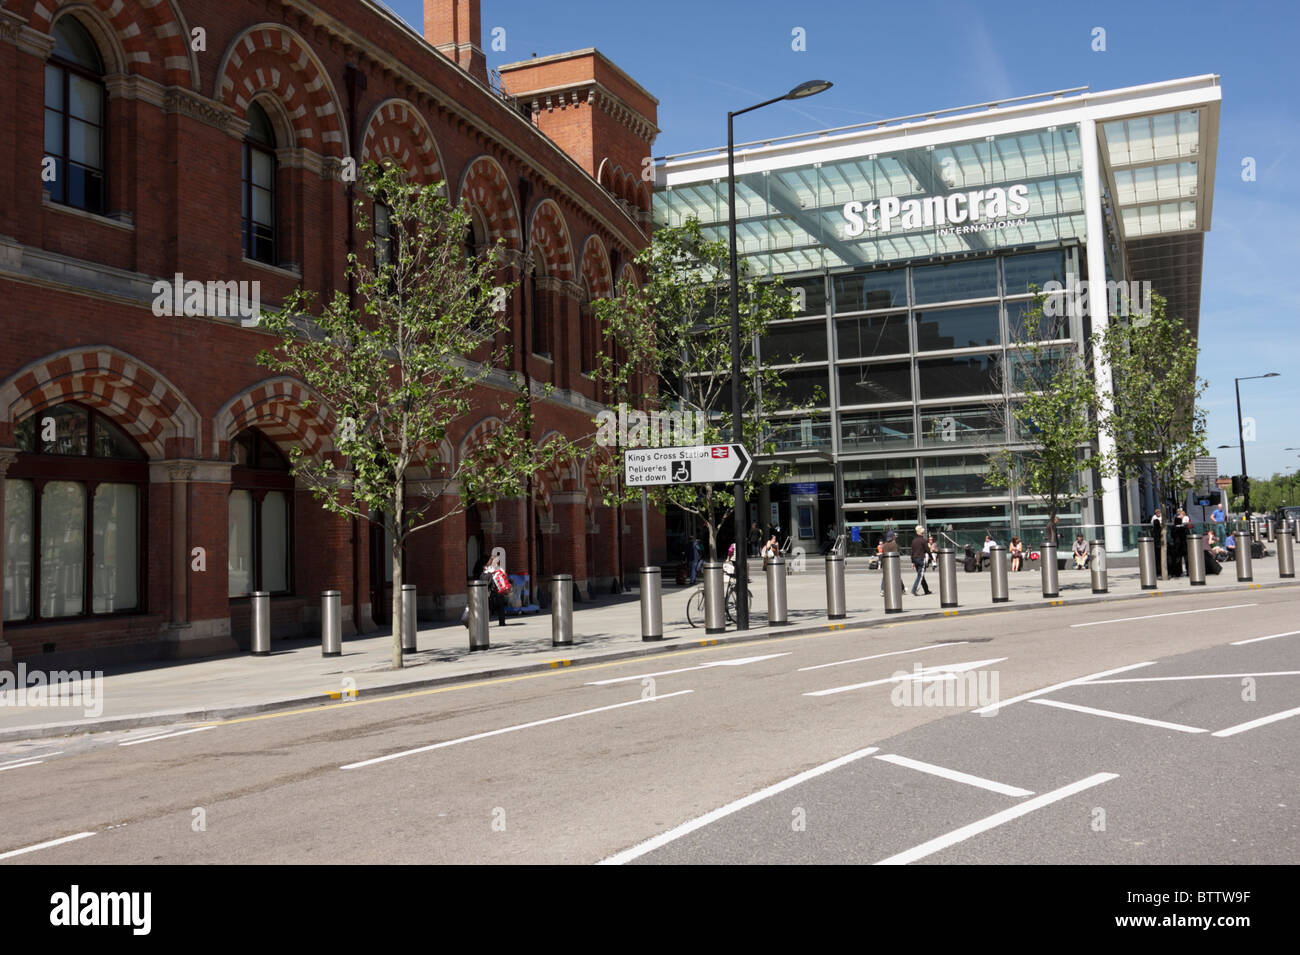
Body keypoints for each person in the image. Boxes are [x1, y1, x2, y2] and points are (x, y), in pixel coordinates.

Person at [484, 553, 507, 627]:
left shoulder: (487, 568)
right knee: (500, 606)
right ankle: (502, 622)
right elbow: (505, 577)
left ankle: (485, 623)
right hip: (499, 590)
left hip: (490, 590)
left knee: (487, 606)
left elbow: (483, 576)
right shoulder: (500, 569)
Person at [909, 525, 931, 596]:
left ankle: (926, 590)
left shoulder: (913, 541)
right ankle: (914, 590)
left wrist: (912, 561)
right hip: (921, 558)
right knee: (920, 575)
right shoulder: (923, 540)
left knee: (921, 575)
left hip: (915, 559)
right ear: (922, 532)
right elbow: (928, 550)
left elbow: (912, 552)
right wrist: (932, 558)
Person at [879, 530, 900, 596]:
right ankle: (900, 589)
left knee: (885, 576)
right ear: (892, 537)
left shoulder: (884, 545)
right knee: (896, 576)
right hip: (893, 562)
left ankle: (882, 590)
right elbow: (896, 554)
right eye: (894, 536)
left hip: (886, 562)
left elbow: (883, 554)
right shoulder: (894, 544)